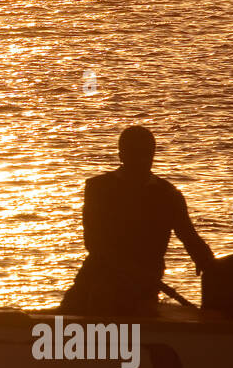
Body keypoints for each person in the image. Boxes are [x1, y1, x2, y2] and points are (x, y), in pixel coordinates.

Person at [61, 125, 214, 315]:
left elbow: (189, 237)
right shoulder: (98, 189)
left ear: (152, 155)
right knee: (88, 300)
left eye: (145, 154)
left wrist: (210, 265)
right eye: (135, 153)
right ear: (121, 155)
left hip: (144, 283)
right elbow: (93, 242)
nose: (141, 160)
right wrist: (125, 270)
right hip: (98, 277)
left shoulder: (168, 195)